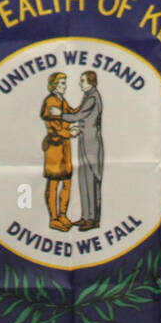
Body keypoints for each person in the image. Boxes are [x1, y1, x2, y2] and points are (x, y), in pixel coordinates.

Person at [61, 71, 104, 231]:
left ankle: (93, 219)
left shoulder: (92, 97)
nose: (80, 84)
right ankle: (86, 216)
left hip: (91, 143)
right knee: (84, 180)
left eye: (82, 81)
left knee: (91, 181)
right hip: (84, 141)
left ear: (91, 82)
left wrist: (60, 115)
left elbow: (79, 115)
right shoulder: (88, 96)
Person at [40, 72, 77, 232]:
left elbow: (71, 113)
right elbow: (54, 127)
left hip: (65, 148)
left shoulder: (61, 100)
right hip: (54, 148)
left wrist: (87, 105)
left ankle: (63, 214)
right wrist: (70, 133)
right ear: (54, 85)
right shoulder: (51, 101)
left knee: (67, 182)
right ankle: (53, 218)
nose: (64, 86)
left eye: (64, 83)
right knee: (54, 183)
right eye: (61, 83)